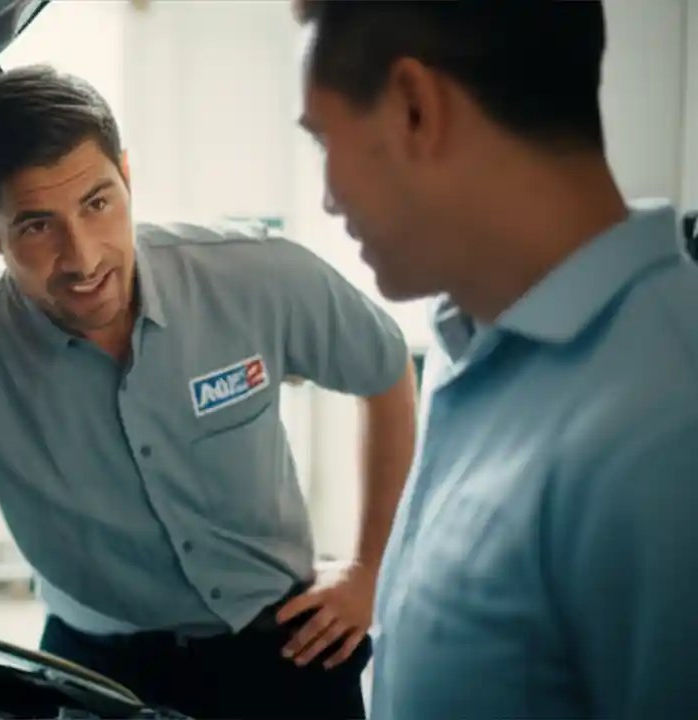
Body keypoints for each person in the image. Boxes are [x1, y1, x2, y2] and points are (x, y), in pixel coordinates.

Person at [0, 64, 417, 720]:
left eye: (97, 203)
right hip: (95, 670)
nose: (83, 256)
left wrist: (374, 567)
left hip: (288, 648)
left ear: (126, 177)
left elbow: (386, 368)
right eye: (36, 225)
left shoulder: (258, 277)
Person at [292, 1, 698, 718]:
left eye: (325, 140)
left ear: (416, 108)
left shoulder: (668, 430)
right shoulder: (473, 340)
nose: (327, 197)